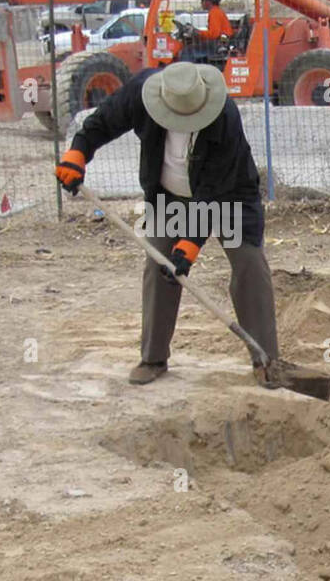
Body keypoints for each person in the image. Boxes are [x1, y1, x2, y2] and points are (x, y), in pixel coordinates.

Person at [55, 61, 279, 387]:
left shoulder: (225, 116)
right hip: (168, 195)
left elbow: (214, 192)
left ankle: (266, 360)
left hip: (228, 197)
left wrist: (190, 245)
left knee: (249, 265)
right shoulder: (142, 94)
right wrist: (78, 152)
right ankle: (153, 358)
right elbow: (103, 121)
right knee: (160, 266)